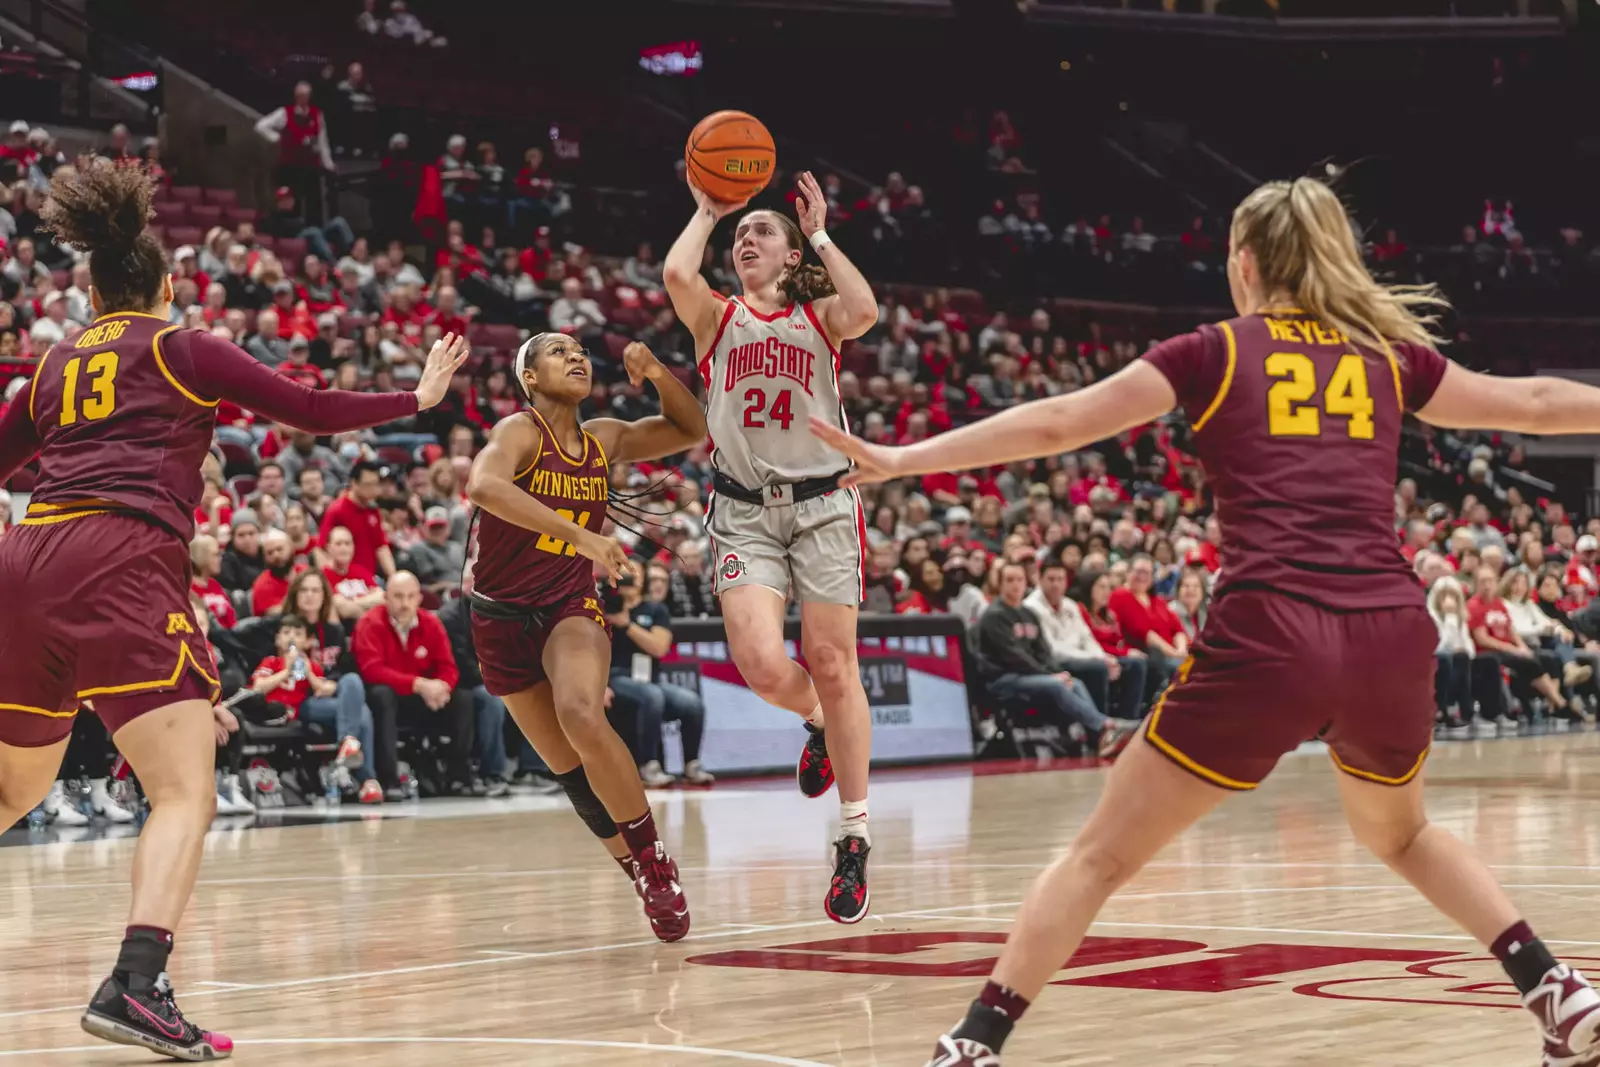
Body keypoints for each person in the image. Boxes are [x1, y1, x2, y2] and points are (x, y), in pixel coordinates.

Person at [810, 175, 1600, 1066]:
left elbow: (1061, 423)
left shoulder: (1213, 351)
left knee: (1101, 855)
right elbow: (1535, 405)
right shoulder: (1385, 353)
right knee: (1405, 832)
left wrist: (903, 456)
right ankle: (1554, 988)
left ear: (1247, 263)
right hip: (1389, 625)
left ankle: (974, 1043)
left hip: (1274, 628)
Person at [0, 159, 468, 1059]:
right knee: (183, 787)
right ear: (165, 286)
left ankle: (136, 983)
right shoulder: (184, 347)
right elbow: (309, 406)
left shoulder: (54, 362)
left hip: (26, 555)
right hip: (119, 555)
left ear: (92, 289)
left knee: (15, 785)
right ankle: (137, 983)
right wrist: (416, 397)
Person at [664, 171, 880, 923]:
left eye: (762, 231)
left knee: (833, 660)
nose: (745, 240)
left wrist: (820, 230)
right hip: (744, 510)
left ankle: (853, 837)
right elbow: (674, 272)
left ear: (791, 256)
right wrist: (706, 209)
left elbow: (866, 309)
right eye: (739, 235)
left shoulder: (819, 318)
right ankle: (821, 721)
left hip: (823, 504)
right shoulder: (716, 318)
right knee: (760, 664)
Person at [464, 335, 704, 941]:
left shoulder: (604, 438)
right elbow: (483, 488)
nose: (575, 358)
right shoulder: (520, 432)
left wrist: (655, 372)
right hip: (496, 617)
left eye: (579, 351)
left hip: (567, 604)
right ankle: (637, 874)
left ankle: (655, 863)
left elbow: (689, 429)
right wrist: (582, 536)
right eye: (556, 352)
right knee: (571, 772)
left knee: (581, 712)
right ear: (529, 377)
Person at [977, 562, 1139, 757]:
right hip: (1003, 679)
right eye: (1009, 580)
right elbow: (1014, 657)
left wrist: (1057, 672)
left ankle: (1098, 739)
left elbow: (1044, 652)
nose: (1016, 585)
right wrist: (1050, 676)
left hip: (1030, 676)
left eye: (1020, 579)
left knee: (1074, 683)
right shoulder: (994, 616)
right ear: (1000, 585)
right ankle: (1107, 725)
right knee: (1057, 685)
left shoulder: (1028, 614)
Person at [352, 571, 477, 796]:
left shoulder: (431, 623)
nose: (405, 603)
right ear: (386, 598)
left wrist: (442, 688)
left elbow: (449, 667)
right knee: (382, 695)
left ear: (419, 598)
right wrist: (420, 685)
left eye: (411, 597)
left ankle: (459, 777)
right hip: (390, 698)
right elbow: (372, 670)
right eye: (398, 597)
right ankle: (389, 780)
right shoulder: (369, 623)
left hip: (425, 698)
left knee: (464, 699)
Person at [607, 568, 714, 788]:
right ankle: (648, 765)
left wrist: (626, 625)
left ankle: (691, 764)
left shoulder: (655, 609)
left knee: (691, 703)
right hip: (616, 677)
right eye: (624, 572)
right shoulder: (604, 608)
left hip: (650, 678)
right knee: (652, 696)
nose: (630, 577)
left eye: (635, 573)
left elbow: (658, 647)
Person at [1023, 560, 1146, 722]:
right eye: (1051, 579)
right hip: (1056, 662)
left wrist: (1104, 657)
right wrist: (1096, 659)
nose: (1056, 584)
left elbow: (1087, 638)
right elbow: (1053, 651)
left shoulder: (1070, 605)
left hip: (1084, 657)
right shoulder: (1032, 608)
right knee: (1098, 668)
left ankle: (1128, 720)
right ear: (1040, 579)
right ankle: (1101, 729)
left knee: (1135, 665)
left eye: (1060, 579)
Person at [323, 461, 397, 578]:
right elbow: (322, 548)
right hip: (345, 579)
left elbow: (381, 547)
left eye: (375, 484)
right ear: (354, 483)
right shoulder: (337, 510)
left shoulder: (373, 510)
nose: (373, 489)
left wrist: (394, 577)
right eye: (368, 485)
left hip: (368, 577)